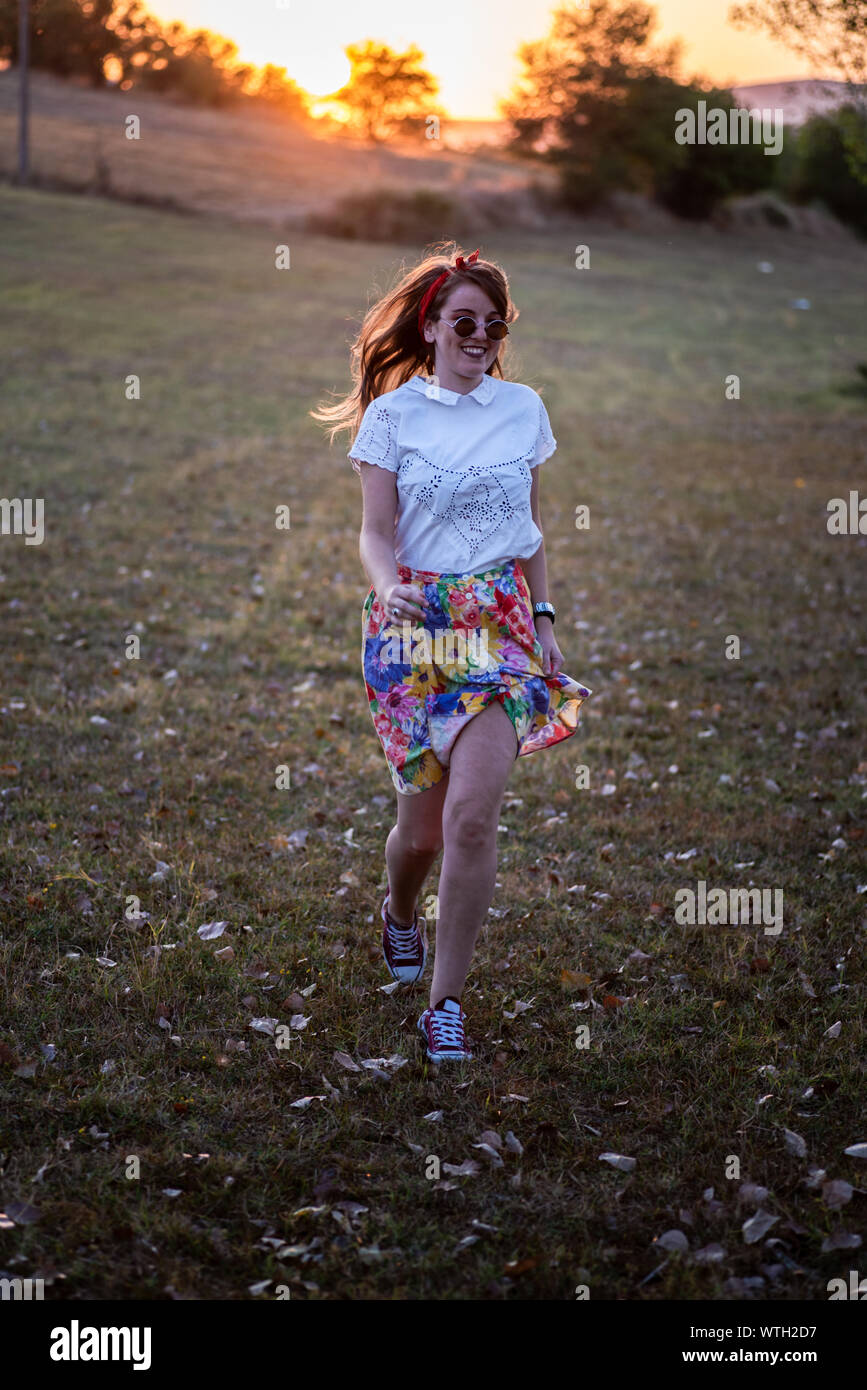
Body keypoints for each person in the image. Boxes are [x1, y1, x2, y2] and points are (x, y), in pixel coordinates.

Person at [311, 243, 591, 1064]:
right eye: (462, 321)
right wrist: (384, 582)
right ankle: (398, 911)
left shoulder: (522, 408)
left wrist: (541, 612)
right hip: (412, 626)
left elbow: (530, 526)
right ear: (431, 325)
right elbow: (373, 530)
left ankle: (446, 1004)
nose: (478, 335)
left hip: (498, 621)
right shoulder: (393, 416)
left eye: (492, 324)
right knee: (423, 831)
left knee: (472, 819)